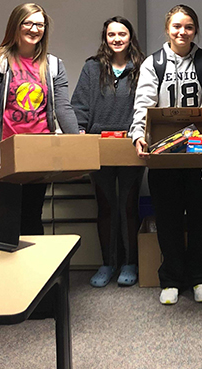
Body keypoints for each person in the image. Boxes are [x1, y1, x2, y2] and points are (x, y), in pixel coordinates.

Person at [130, 4, 202, 305]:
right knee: (168, 215)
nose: (182, 32)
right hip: (164, 152)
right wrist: (138, 136)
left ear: (195, 30)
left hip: (200, 152)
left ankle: (200, 277)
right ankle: (172, 278)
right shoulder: (154, 63)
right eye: (176, 26)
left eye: (188, 26)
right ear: (167, 29)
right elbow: (143, 104)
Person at [0, 3, 78, 235]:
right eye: (28, 23)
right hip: (3, 152)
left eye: (39, 24)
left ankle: (36, 272)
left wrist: (77, 148)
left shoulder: (52, 65)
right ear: (15, 25)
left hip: (38, 152)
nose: (34, 29)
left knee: (32, 221)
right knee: (5, 224)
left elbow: (62, 107)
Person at [71, 16, 145, 287]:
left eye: (122, 34)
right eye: (111, 34)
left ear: (130, 37)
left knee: (128, 204)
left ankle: (130, 262)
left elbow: (148, 104)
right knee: (105, 205)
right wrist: (78, 130)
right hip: (97, 144)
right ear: (105, 38)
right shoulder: (92, 68)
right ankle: (107, 263)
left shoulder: (142, 67)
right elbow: (78, 104)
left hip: (130, 144)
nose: (117, 39)